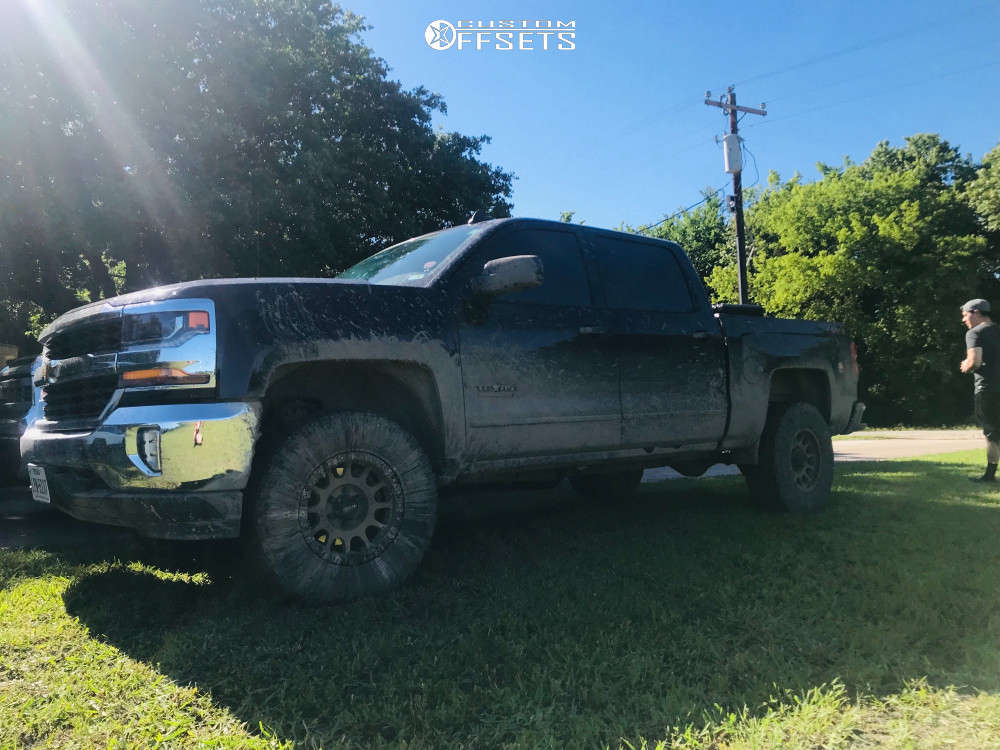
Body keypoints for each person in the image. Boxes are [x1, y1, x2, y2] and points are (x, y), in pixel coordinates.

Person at [960, 298, 1000, 482]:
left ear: (975, 312)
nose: (964, 319)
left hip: (988, 389)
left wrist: (966, 365)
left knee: (991, 432)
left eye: (965, 315)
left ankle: (989, 475)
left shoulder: (975, 333)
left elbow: (975, 361)